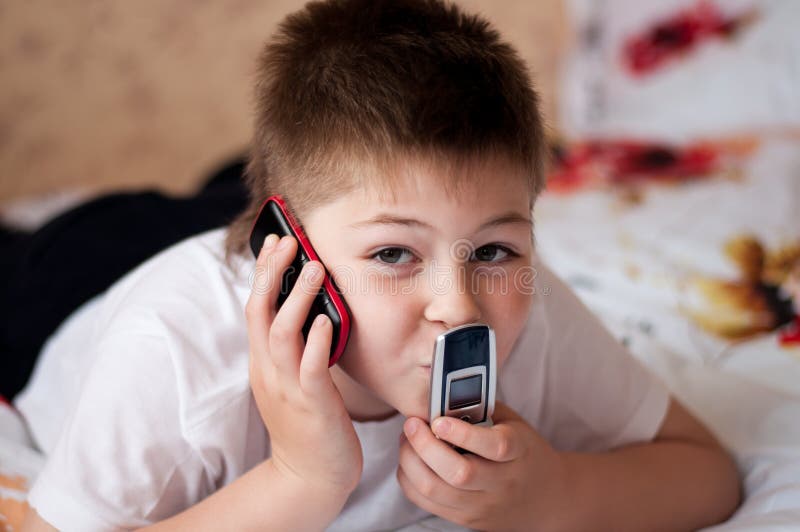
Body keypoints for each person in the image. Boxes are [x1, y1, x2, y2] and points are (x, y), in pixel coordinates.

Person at [20, 0, 742, 530]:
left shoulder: (523, 303)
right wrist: (299, 479)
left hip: (298, 221)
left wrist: (554, 494)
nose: (459, 307)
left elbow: (706, 474)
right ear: (292, 256)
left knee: (338, 194)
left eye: (493, 248)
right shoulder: (171, 348)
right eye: (395, 254)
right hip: (76, 275)